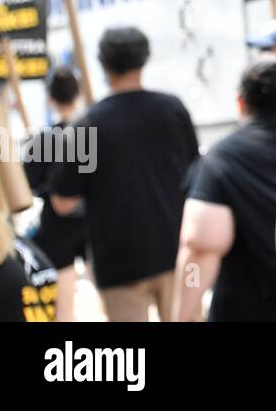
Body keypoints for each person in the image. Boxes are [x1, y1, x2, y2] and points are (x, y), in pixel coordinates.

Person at [50, 27, 200, 322]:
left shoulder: (86, 125)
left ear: (103, 65)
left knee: (132, 362)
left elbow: (62, 202)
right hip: (179, 252)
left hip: (119, 261)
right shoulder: (172, 109)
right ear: (144, 59)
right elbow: (196, 172)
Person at [174, 62, 276, 321]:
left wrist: (183, 316)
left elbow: (200, 247)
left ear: (240, 102)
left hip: (252, 308)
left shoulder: (222, 159)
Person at [21, 65, 89, 321]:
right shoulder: (94, 132)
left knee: (64, 307)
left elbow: (28, 182)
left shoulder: (44, 140)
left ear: (51, 99)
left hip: (57, 226)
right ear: (78, 93)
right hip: (96, 220)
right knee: (113, 290)